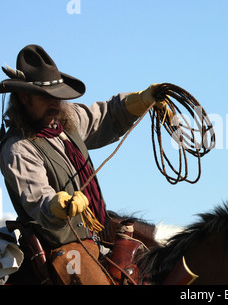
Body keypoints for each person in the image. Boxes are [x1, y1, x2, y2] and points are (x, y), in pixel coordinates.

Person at [0, 44, 162, 284]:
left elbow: (105, 116)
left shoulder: (66, 120)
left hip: (97, 233)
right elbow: (37, 201)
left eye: (57, 95)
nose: (55, 102)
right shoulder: (18, 148)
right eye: (46, 97)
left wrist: (142, 100)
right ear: (23, 98)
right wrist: (56, 204)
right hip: (61, 245)